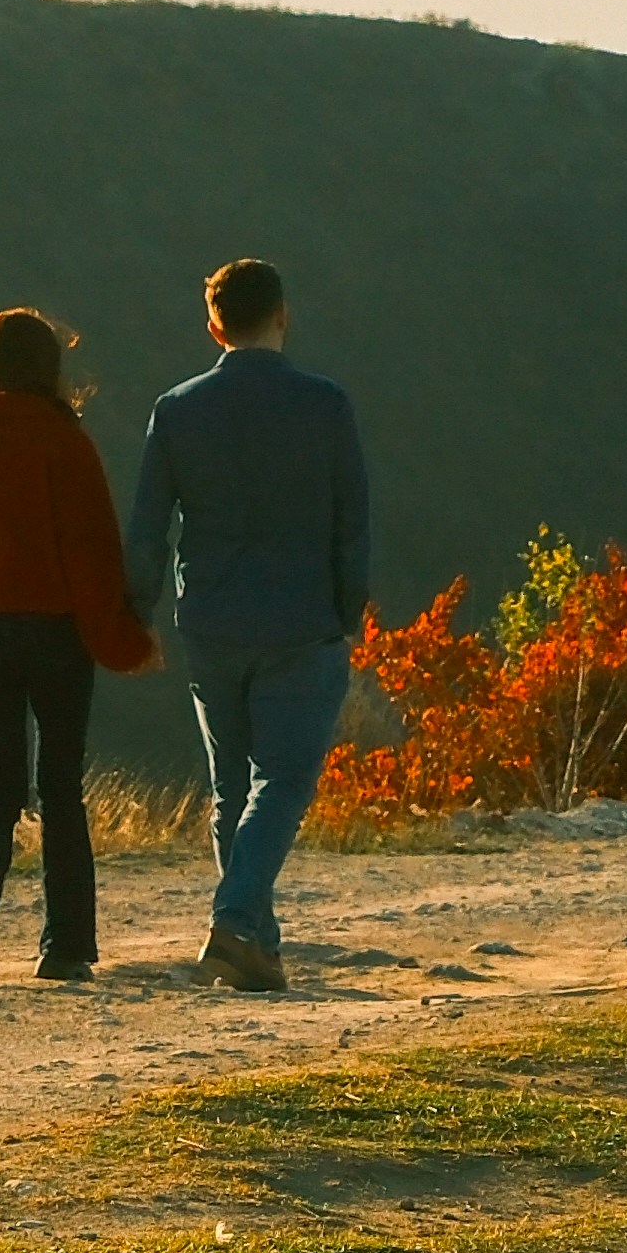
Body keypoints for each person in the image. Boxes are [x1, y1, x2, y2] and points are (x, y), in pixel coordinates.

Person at [135, 256, 371, 994]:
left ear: (213, 325)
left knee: (230, 788)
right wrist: (348, 608)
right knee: (285, 779)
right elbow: (351, 520)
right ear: (283, 315)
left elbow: (148, 528)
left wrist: (137, 617)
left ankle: (255, 946)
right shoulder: (325, 405)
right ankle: (236, 918)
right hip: (302, 622)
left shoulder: (176, 409)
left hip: (210, 620)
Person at [0, 306, 156, 981]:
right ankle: (66, 946)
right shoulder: (65, 443)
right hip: (54, 632)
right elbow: (92, 555)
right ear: (50, 366)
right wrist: (123, 639)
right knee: (59, 788)